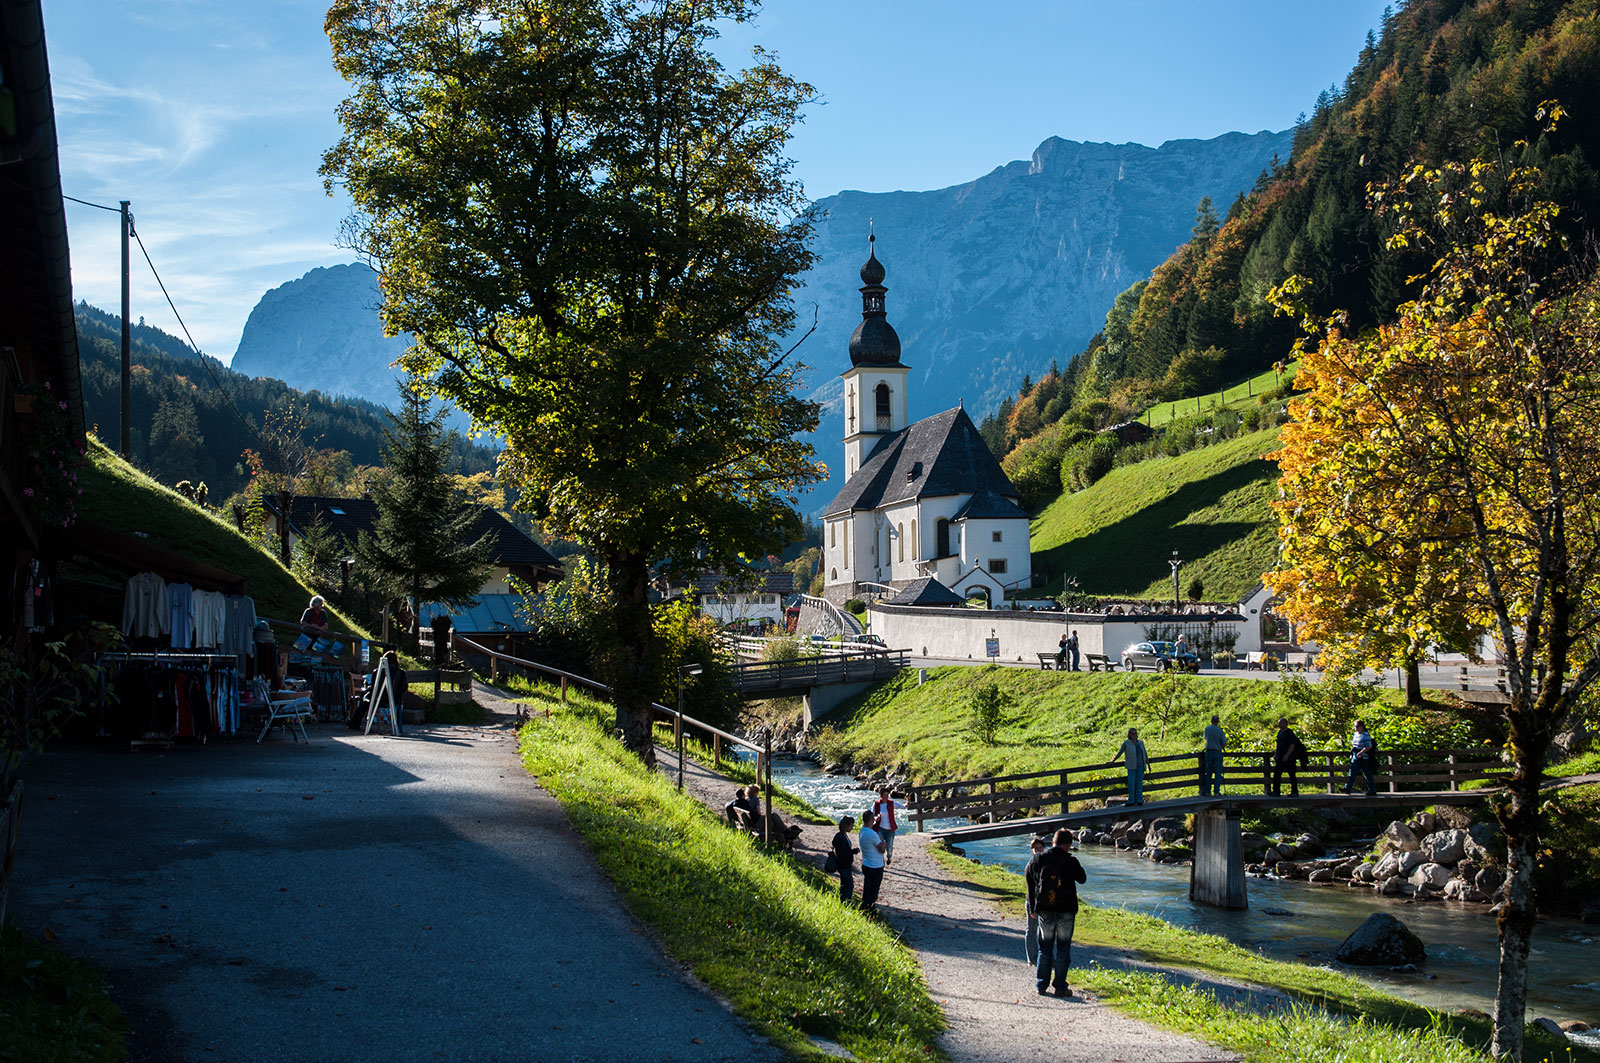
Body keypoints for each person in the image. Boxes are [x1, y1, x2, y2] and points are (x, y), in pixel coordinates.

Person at [1024, 828, 1086, 997]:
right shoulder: (1070, 860)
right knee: (1063, 948)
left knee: (1045, 948)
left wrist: (1032, 906)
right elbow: (1082, 878)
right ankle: (1060, 986)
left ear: (1053, 842)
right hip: (1066, 911)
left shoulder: (1039, 858)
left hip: (1045, 910)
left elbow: (1029, 878)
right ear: (1068, 845)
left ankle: (1041, 985)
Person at [1023, 836, 1048, 965]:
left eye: (1040, 847)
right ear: (1032, 850)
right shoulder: (1030, 866)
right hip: (1032, 901)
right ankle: (1031, 958)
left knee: (1045, 931)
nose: (1038, 850)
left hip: (1045, 902)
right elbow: (1030, 889)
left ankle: (1043, 957)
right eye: (1036, 848)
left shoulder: (1048, 863)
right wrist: (1033, 908)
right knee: (1031, 930)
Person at [1110, 727, 1149, 805]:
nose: (1134, 735)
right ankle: (1131, 800)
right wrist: (1113, 761)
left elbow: (1145, 754)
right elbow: (1120, 752)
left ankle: (1139, 800)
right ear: (1129, 735)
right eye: (1132, 734)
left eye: (1135, 733)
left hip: (1140, 765)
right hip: (1131, 766)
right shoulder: (1127, 743)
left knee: (1139, 784)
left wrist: (1148, 764)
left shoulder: (1141, 743)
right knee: (1131, 784)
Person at [1272, 718, 1309, 796]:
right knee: (1277, 774)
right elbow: (1278, 744)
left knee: (1292, 774)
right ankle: (1276, 791)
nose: (1279, 725)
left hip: (1289, 758)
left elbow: (1292, 744)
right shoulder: (1279, 732)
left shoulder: (1289, 733)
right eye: (1278, 723)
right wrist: (1276, 753)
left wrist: (1287, 755)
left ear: (1285, 724)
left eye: (1280, 723)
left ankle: (1294, 792)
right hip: (1280, 757)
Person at [859, 810, 887, 912]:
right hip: (875, 866)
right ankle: (870, 908)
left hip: (866, 863)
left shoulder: (862, 831)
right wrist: (884, 844)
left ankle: (865, 906)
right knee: (874, 890)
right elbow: (881, 849)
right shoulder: (873, 835)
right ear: (871, 820)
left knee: (867, 888)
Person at [1343, 719, 1378, 796]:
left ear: (1362, 726)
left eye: (1357, 726)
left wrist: (1361, 752)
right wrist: (1352, 754)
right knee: (1352, 772)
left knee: (1367, 773)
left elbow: (1369, 746)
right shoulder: (1355, 734)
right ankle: (1348, 788)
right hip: (1356, 756)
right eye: (1355, 726)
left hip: (1364, 757)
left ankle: (1372, 789)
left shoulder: (1365, 734)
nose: (1356, 728)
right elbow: (1354, 745)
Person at [870, 787, 902, 865]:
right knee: (881, 844)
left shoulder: (891, 803)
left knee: (889, 846)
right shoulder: (876, 804)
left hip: (890, 828)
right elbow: (872, 814)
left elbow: (902, 806)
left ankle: (889, 857)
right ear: (881, 795)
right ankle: (881, 860)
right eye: (885, 795)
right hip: (880, 828)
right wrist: (875, 818)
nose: (886, 797)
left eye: (887, 795)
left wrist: (907, 805)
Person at [832, 815, 858, 902]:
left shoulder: (842, 836)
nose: (852, 828)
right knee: (848, 885)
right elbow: (843, 853)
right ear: (846, 826)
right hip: (844, 864)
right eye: (851, 826)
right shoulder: (841, 838)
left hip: (846, 864)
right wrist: (853, 851)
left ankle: (844, 901)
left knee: (846, 884)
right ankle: (845, 901)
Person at [1201, 714, 1226, 796]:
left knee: (1208, 772)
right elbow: (1224, 743)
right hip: (1217, 752)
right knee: (1218, 773)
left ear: (1211, 721)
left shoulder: (1207, 729)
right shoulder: (1220, 731)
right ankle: (1216, 792)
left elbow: (1205, 738)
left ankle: (1207, 791)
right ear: (1217, 722)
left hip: (1209, 751)